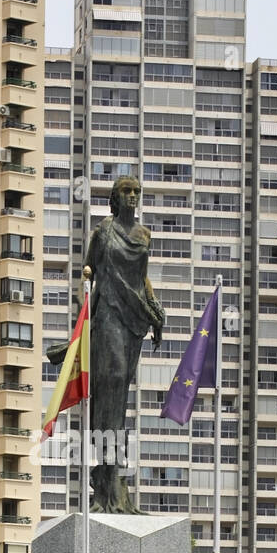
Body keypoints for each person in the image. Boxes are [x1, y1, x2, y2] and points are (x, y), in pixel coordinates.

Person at [84, 175, 165, 513]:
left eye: (136, 192)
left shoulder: (144, 235)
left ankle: (113, 476)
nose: (132, 196)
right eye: (126, 192)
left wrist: (154, 307)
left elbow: (142, 276)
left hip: (135, 319)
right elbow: (89, 271)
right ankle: (106, 476)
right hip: (107, 314)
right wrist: (83, 318)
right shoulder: (103, 232)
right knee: (112, 381)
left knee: (122, 392)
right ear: (115, 198)